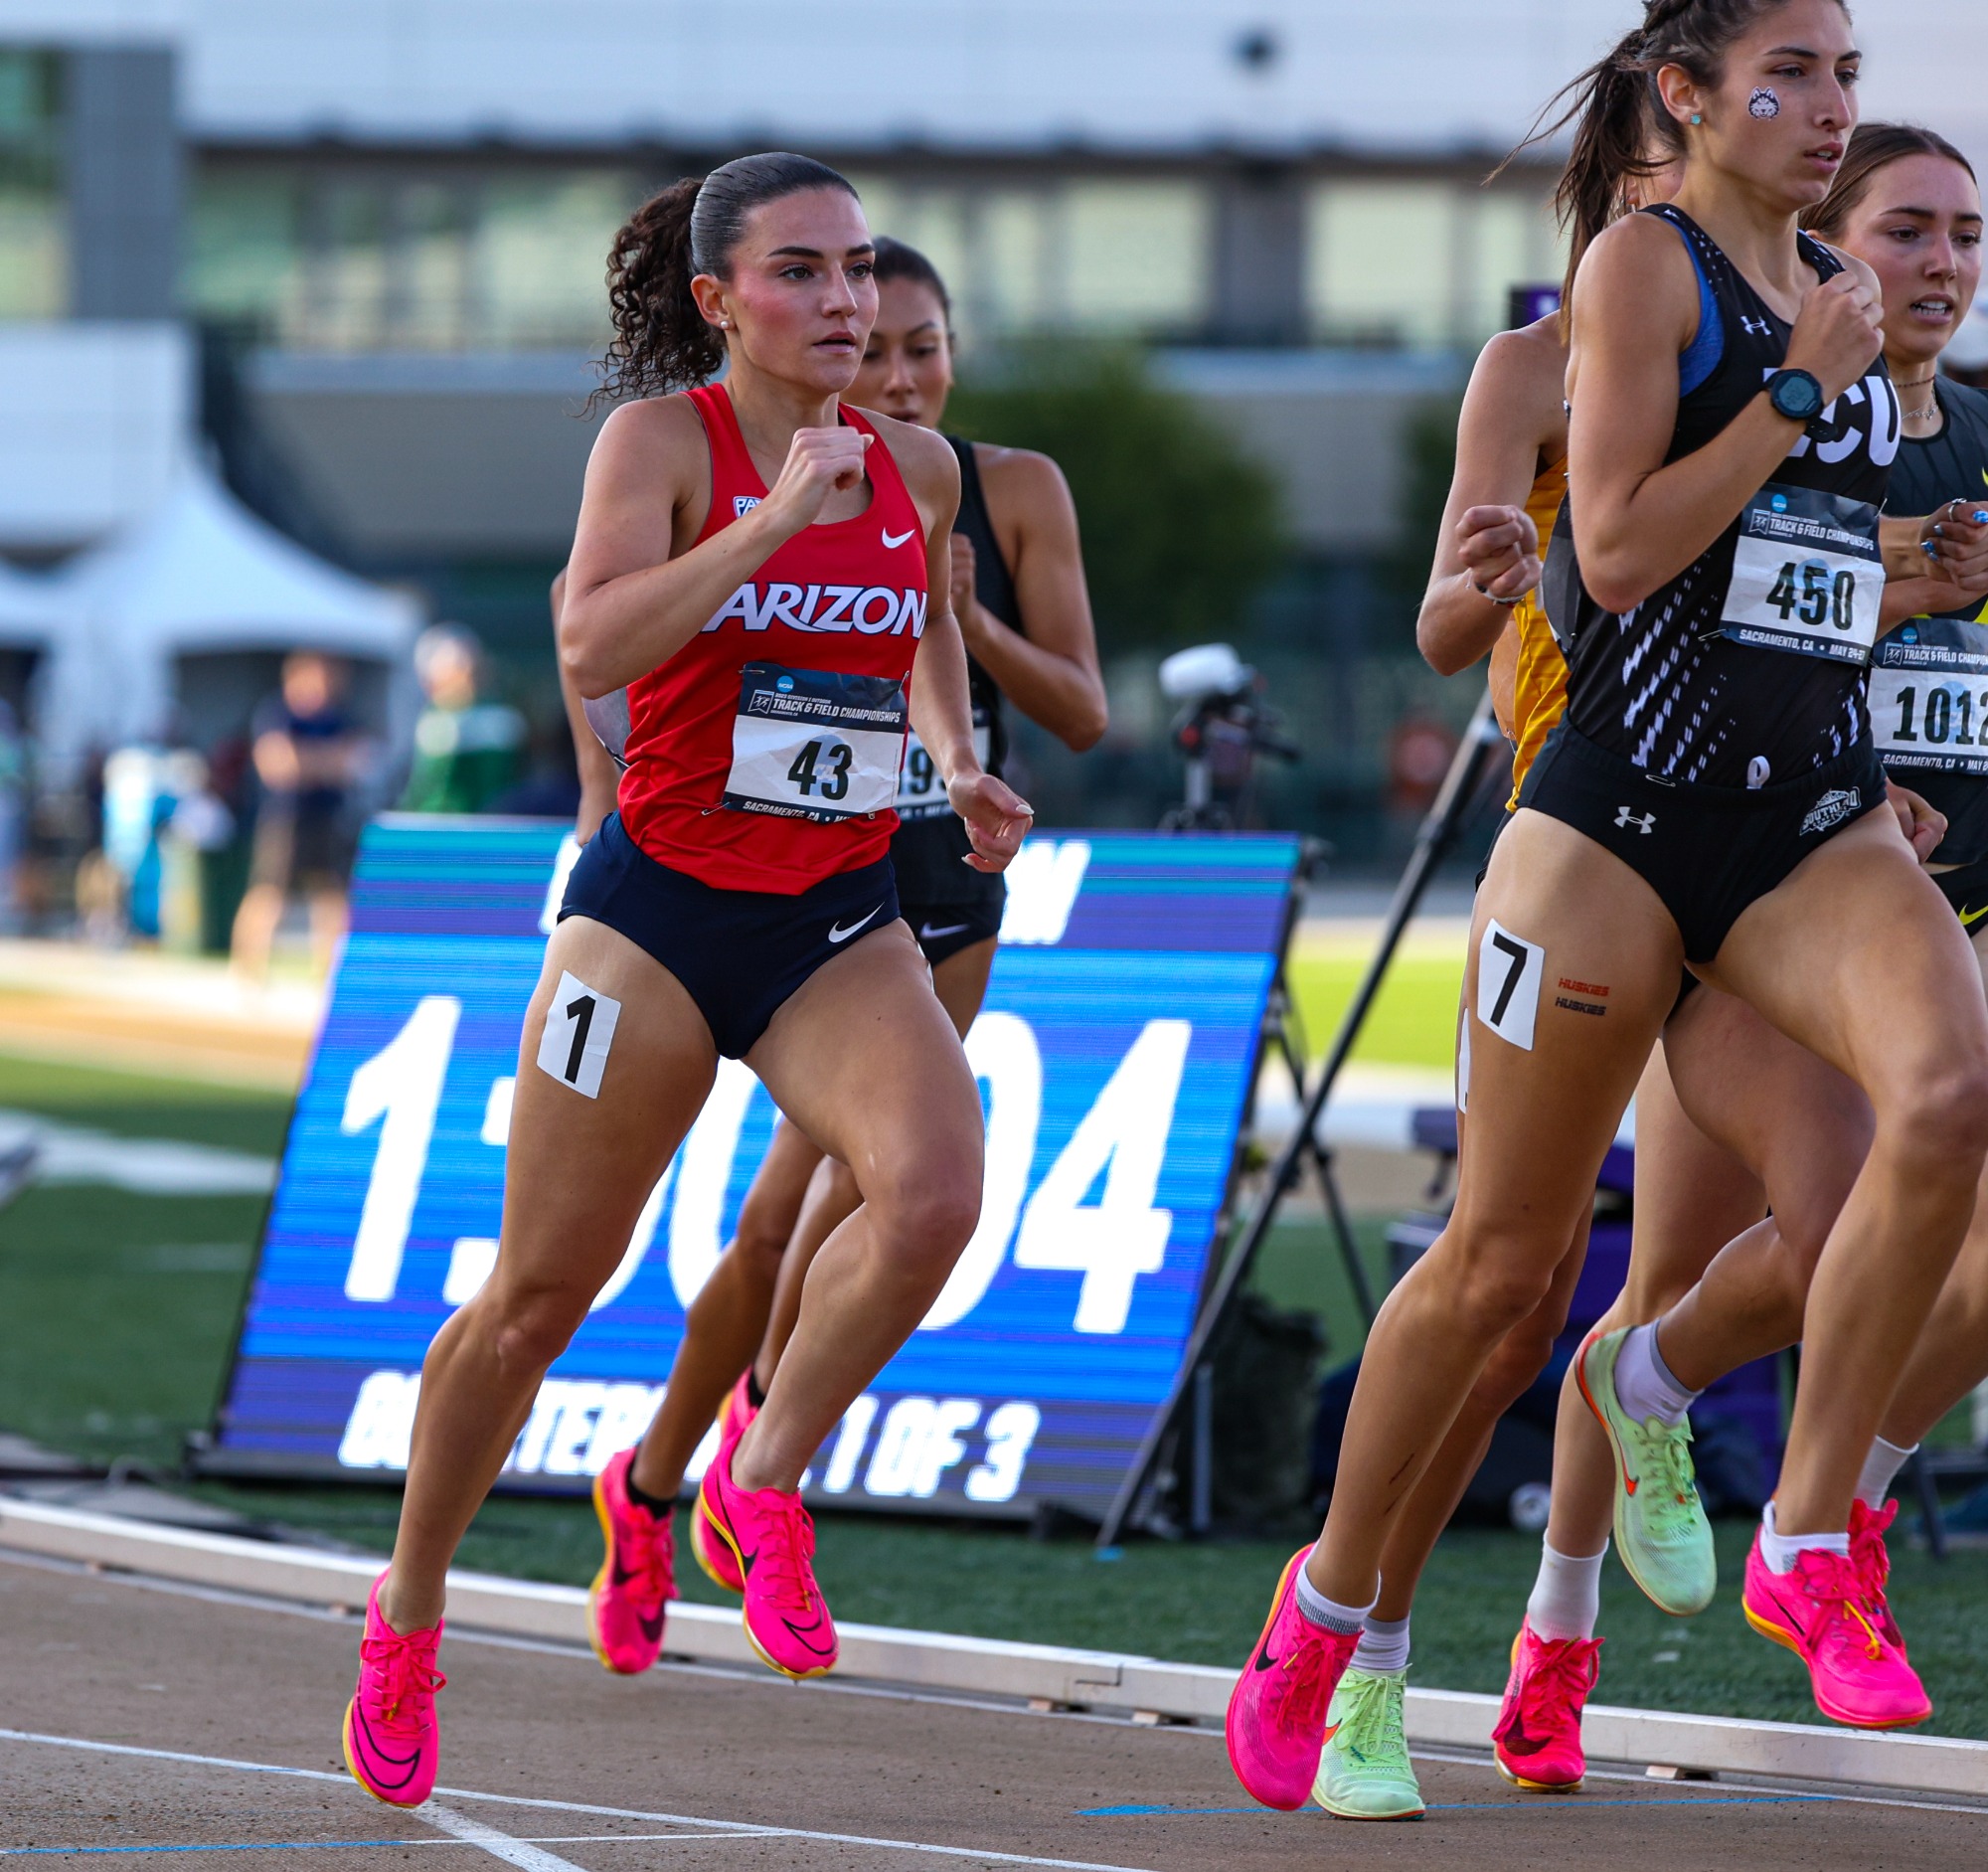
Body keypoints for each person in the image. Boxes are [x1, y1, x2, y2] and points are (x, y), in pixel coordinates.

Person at [1227, 0, 1988, 1814]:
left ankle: (1807, 1531)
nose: (1828, 110)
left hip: (1799, 821)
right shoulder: (1639, 278)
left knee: (1946, 1109)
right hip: (1608, 823)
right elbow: (1627, 553)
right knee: (1499, 1273)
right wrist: (1801, 382)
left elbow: (1779, 569)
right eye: (1792, 75)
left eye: (1848, 78)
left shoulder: (1846, 301)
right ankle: (1334, 1617)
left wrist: (1900, 588)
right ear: (1687, 97)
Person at [340, 153, 1031, 1809]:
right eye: (804, 272)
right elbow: (589, 651)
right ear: (722, 301)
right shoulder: (665, 444)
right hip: (652, 919)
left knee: (933, 1193)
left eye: (861, 270)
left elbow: (926, 617)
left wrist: (953, 753)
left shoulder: (919, 467)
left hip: (834, 917)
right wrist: (776, 521)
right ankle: (411, 1608)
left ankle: (758, 1470)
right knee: (533, 1303)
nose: (849, 302)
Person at [1493, 117, 1988, 1790]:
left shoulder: (1968, 441)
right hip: (1706, 883)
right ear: (1829, 254)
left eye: (1964, 236)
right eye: (1907, 230)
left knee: (1920, 1216)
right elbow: (1654, 594)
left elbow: (1828, 608)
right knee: (1668, 1263)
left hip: (1883, 883)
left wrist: (1913, 619)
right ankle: (1558, 1629)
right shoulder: (1702, 354)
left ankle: (1823, 1502)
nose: (1939, 264)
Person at [581, 234, 1106, 1667]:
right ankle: (656, 1478)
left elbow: (1080, 706)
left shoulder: (991, 485)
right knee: (776, 1220)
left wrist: (959, 638)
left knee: (881, 1188)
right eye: (874, 347)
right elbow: (631, 655)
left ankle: (754, 1452)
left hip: (942, 859)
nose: (896, 370)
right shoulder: (737, 458)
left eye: (919, 345)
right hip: (778, 867)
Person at [231, 651, 366, 981]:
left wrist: (310, 761)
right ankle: (248, 968)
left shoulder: (338, 718)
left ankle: (329, 972)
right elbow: (279, 765)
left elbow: (353, 762)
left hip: (328, 816)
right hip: (286, 818)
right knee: (269, 892)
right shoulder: (277, 713)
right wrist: (323, 761)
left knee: (331, 894)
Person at [399, 624, 526, 814]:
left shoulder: (498, 717)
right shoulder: (425, 718)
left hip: (489, 827)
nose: (465, 671)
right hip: (437, 831)